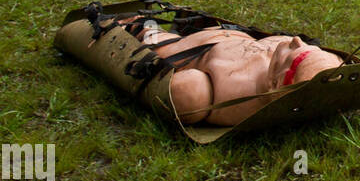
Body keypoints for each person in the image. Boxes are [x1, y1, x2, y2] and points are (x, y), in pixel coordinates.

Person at [117, 17, 343, 125]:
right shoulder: (288, 60)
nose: (296, 40)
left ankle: (137, 25)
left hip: (185, 48)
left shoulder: (219, 94)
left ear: (275, 86)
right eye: (307, 46)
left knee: (154, 36)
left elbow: (183, 93)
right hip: (224, 33)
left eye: (295, 55)